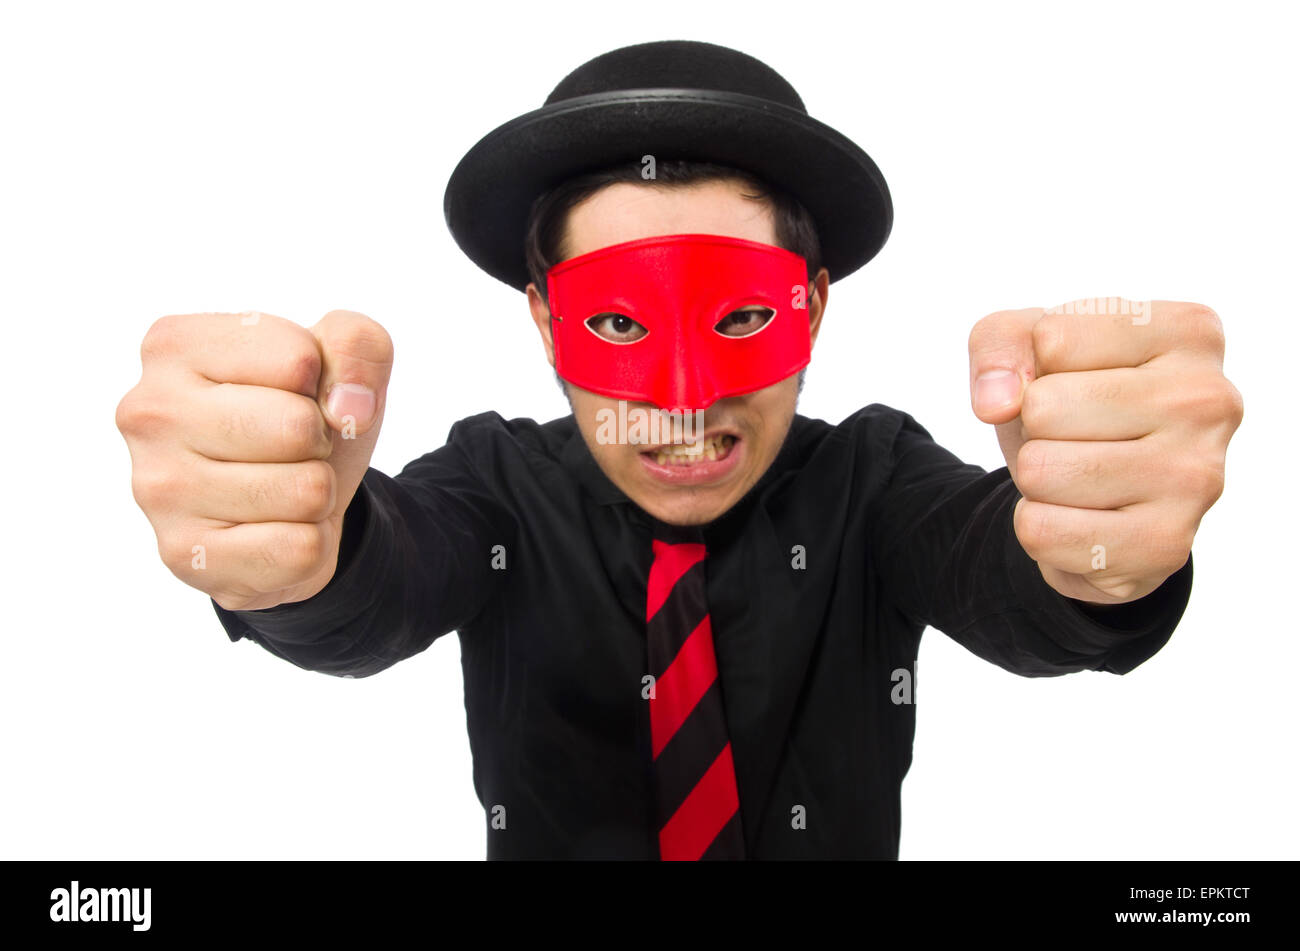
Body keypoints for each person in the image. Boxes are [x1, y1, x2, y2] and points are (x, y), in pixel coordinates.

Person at [114, 40, 1243, 859]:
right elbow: (380, 584)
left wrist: (1104, 552)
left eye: (743, 319)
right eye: (615, 324)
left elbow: (1019, 583)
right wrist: (296, 558)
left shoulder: (876, 483)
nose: (684, 407)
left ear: (812, 306)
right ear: (547, 323)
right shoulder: (496, 489)